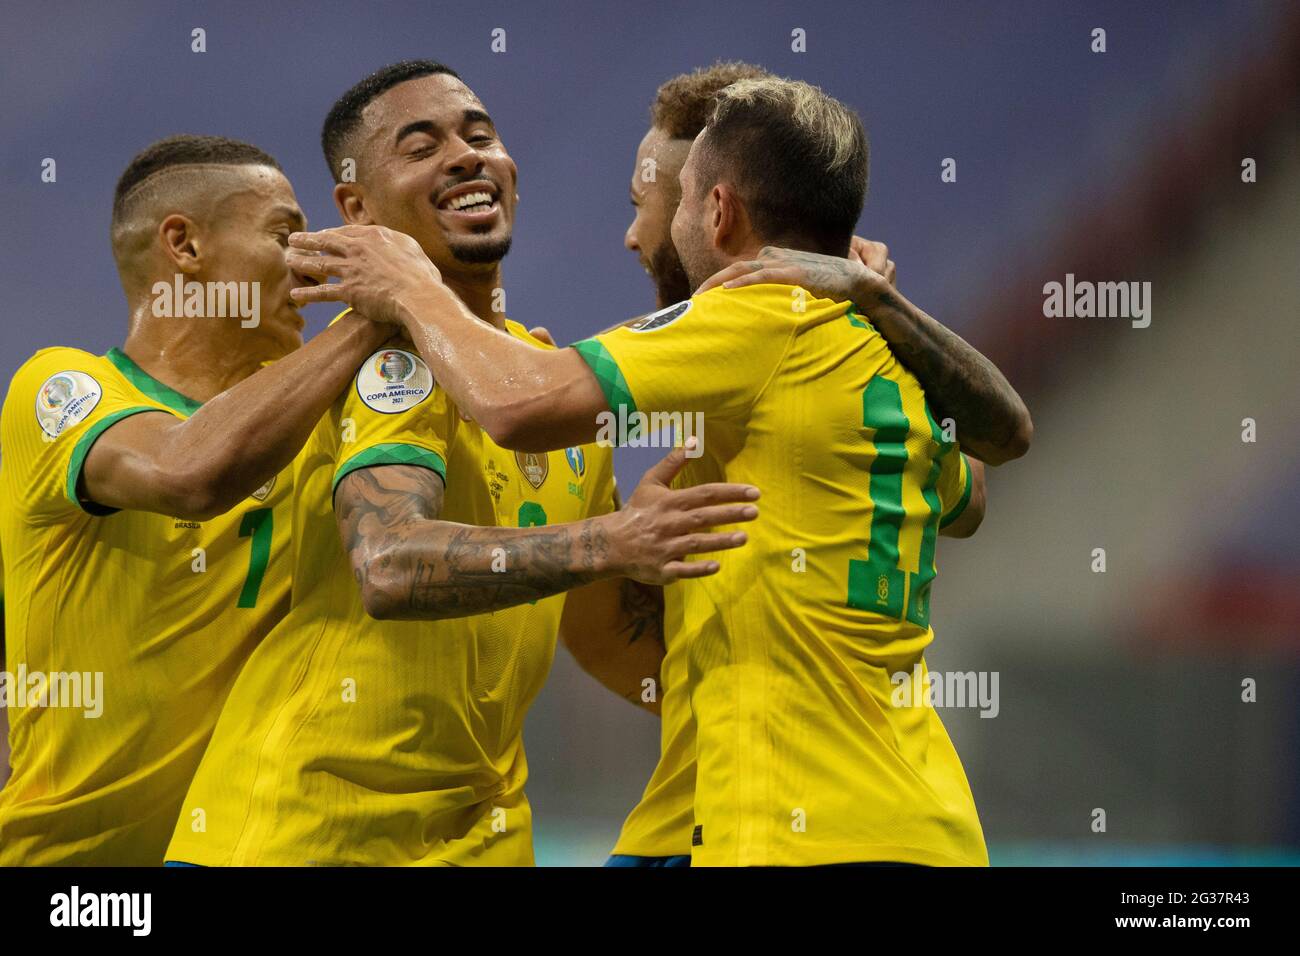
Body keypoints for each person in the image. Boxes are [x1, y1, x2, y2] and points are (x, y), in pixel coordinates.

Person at [293, 76, 1034, 866]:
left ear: (717, 210)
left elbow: (513, 403)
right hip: (883, 813)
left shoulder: (751, 320)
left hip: (798, 827)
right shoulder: (874, 360)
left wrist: (412, 289)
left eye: (658, 198)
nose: (635, 233)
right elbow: (979, 480)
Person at [165, 61, 758, 867]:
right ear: (357, 210)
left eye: (480, 135)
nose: (466, 155)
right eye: (421, 146)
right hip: (307, 834)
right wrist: (611, 540)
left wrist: (766, 711)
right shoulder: (390, 360)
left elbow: (609, 638)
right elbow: (388, 564)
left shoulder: (548, 383)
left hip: (482, 836)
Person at [0, 135, 395, 864]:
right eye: (285, 234)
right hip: (72, 877)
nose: (312, 260)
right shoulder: (62, 389)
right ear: (183, 245)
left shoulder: (319, 419)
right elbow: (190, 473)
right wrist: (374, 313)